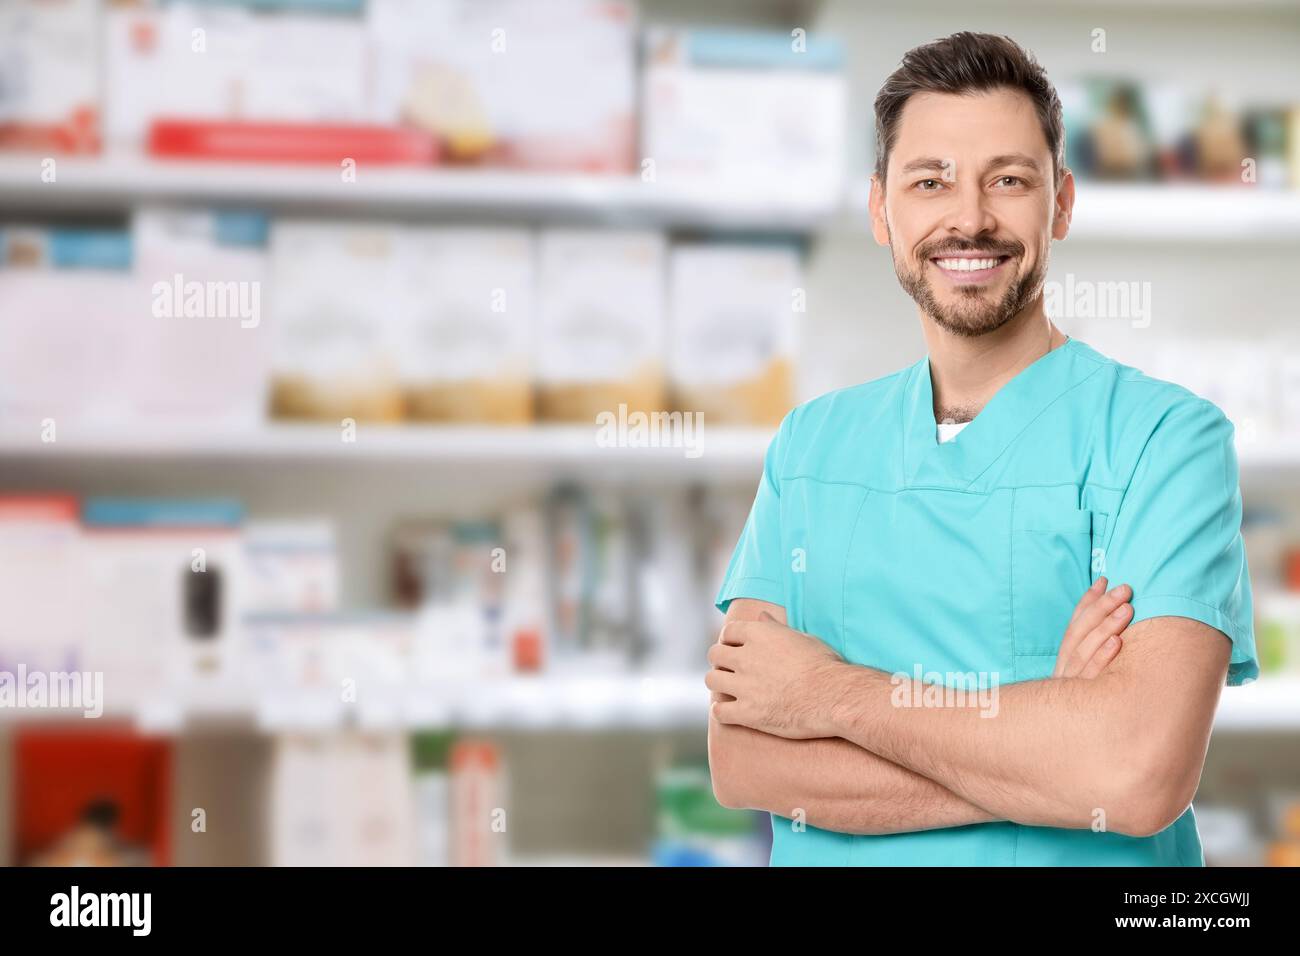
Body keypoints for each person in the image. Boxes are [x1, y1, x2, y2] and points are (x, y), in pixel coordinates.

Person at [706, 32, 1256, 866]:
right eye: (931, 182)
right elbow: (743, 761)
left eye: (1008, 180)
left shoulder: (1164, 441)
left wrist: (829, 696)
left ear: (1061, 204)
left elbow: (1137, 775)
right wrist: (1053, 751)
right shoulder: (810, 446)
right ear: (881, 210)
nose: (969, 218)